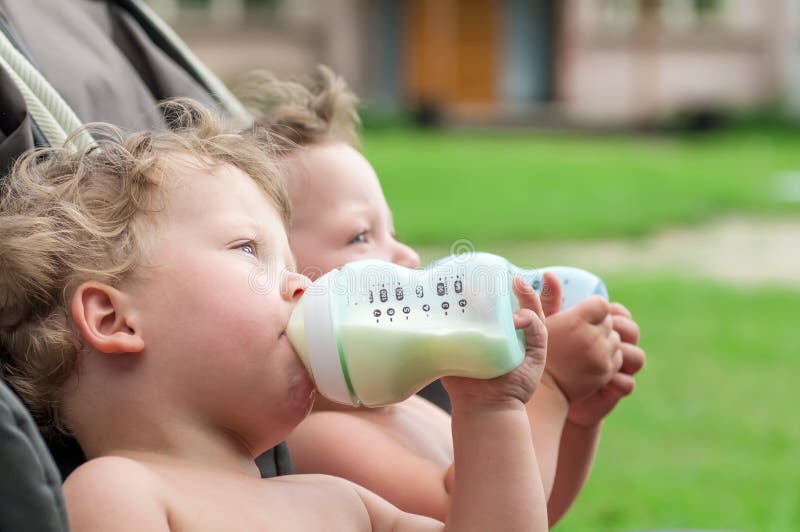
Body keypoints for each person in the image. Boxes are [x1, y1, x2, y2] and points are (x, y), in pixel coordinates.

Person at [0, 100, 551, 531]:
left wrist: (490, 414)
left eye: (292, 262)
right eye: (248, 249)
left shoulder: (342, 503)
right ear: (113, 318)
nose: (304, 283)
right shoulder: (118, 494)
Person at [239, 67, 646, 525]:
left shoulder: (408, 400)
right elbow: (477, 515)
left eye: (393, 230)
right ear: (286, 280)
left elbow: (535, 508)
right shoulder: (320, 434)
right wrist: (550, 389)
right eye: (360, 236)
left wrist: (576, 416)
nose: (407, 254)